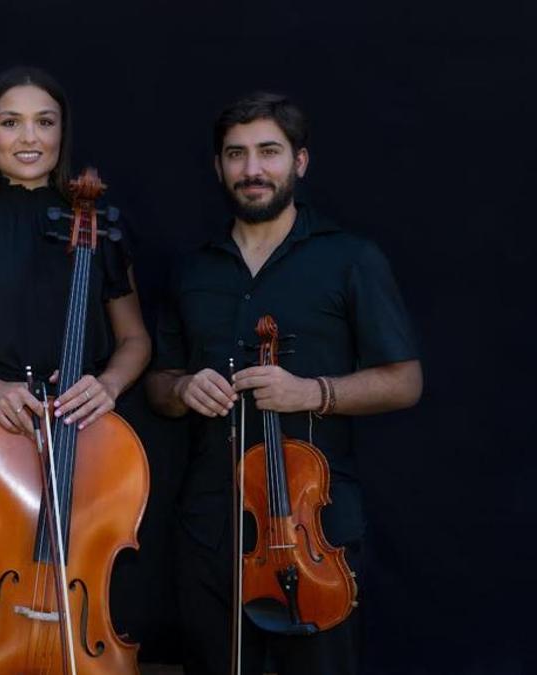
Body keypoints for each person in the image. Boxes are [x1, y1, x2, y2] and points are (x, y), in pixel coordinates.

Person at [144, 92, 423, 675]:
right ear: (218, 166)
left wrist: (313, 392)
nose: (252, 169)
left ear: (299, 161)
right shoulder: (192, 269)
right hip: (210, 526)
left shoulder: (350, 258)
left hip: (313, 533)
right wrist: (182, 388)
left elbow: (404, 381)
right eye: (236, 154)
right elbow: (158, 384)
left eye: (268, 151)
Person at [0, 65, 152, 603]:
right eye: (11, 122)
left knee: (87, 574)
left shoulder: (99, 221)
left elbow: (136, 339)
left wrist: (109, 385)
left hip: (85, 429)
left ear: (62, 131)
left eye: (44, 122)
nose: (29, 137)